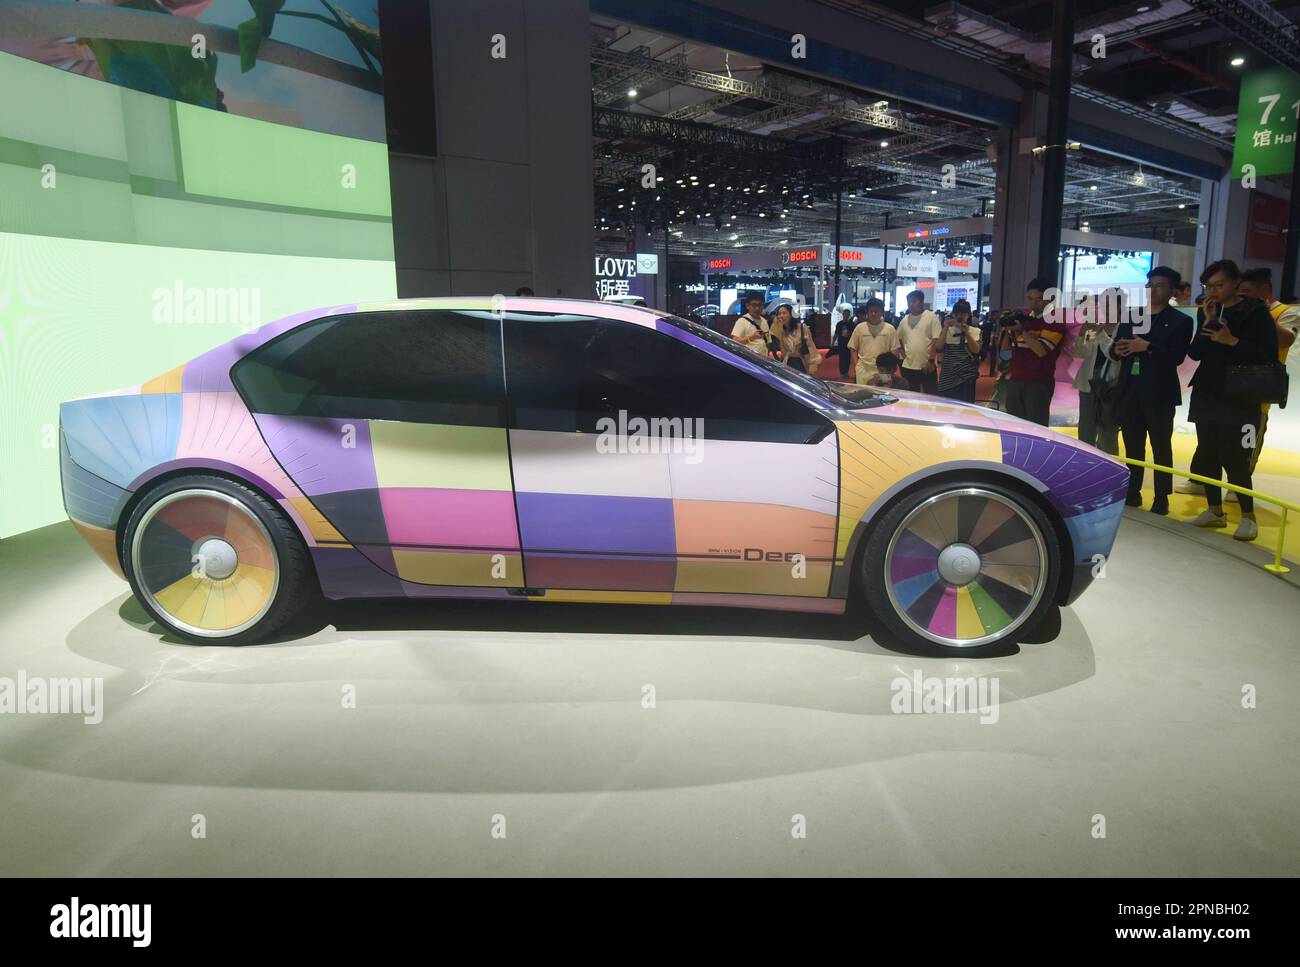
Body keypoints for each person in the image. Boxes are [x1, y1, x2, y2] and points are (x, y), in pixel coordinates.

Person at [1184, 259, 1278, 541]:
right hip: (1207, 391)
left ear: (1236, 282)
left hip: (1240, 395)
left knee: (1236, 458)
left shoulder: (1256, 312)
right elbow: (1196, 353)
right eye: (1209, 285)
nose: (1213, 290)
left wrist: (1232, 341)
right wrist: (1209, 321)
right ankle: (1215, 511)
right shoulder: (1209, 311)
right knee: (1208, 453)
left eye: (1219, 284)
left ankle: (1248, 517)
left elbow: (1267, 356)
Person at [1110, 269, 1193, 515]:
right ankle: (1132, 492)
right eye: (1150, 284)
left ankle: (1161, 496)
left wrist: (1146, 347)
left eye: (1160, 285)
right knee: (1133, 446)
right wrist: (1120, 350)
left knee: (1160, 447)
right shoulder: (1132, 316)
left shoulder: (1181, 321)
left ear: (1172, 291)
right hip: (1130, 389)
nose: (1153, 289)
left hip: (1159, 393)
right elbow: (1116, 348)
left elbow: (1177, 357)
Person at [1235, 267, 1300, 487]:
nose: (1240, 296)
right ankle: (1203, 479)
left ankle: (1241, 485)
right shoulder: (1237, 310)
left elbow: (1286, 340)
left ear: (1263, 291)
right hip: (1231, 383)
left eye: (1245, 291)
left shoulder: (1285, 312)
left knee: (1249, 438)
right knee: (1218, 435)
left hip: (1259, 386)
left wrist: (1262, 314)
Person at [1004, 277, 1067, 426]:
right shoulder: (1025, 319)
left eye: (1037, 299)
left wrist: (1023, 331)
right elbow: (1005, 349)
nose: (1032, 303)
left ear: (1049, 298)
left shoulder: (1055, 320)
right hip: (1016, 379)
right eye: (1029, 298)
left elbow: (1041, 350)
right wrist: (1007, 329)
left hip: (1038, 383)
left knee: (1036, 427)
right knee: (1013, 426)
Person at [1070, 287, 1122, 456]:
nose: (1106, 310)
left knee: (1108, 432)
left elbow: (1115, 356)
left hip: (1111, 387)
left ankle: (1108, 469)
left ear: (1121, 306)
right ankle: (1084, 466)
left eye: (1110, 305)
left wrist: (1102, 335)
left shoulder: (1126, 328)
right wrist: (1083, 334)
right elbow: (1080, 353)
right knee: (1085, 429)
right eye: (1104, 306)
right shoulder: (1095, 326)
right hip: (1088, 383)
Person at [934, 299, 982, 403]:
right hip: (947, 377)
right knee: (946, 408)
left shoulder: (975, 331)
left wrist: (967, 333)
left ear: (968, 315)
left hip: (966, 378)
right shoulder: (947, 330)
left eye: (963, 313)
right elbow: (938, 347)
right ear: (953, 314)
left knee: (966, 410)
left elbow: (976, 350)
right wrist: (946, 327)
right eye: (956, 313)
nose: (959, 316)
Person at [896, 291, 942, 393]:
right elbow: (897, 339)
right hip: (908, 366)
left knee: (931, 396)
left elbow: (936, 340)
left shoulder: (931, 317)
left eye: (914, 301)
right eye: (909, 302)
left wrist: (931, 361)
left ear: (921, 302)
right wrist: (903, 355)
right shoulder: (905, 320)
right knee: (910, 396)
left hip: (926, 365)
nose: (911, 304)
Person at [847, 298, 901, 385]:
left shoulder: (889, 329)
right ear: (867, 312)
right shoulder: (860, 328)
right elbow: (853, 348)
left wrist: (889, 368)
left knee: (883, 394)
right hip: (864, 369)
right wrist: (856, 365)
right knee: (863, 394)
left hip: (884, 370)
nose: (873, 314)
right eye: (871, 311)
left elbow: (894, 349)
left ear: (882, 312)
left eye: (876, 311)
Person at [774, 304, 821, 373]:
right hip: (786, 362)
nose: (781, 316)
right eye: (779, 314)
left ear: (791, 314)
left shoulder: (802, 328)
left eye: (784, 313)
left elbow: (811, 346)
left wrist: (813, 363)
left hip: (798, 362)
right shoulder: (781, 330)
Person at [731, 293, 773, 357]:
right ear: (747, 306)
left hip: (763, 360)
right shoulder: (742, 321)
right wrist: (751, 337)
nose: (757, 308)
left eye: (760, 305)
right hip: (749, 360)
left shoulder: (764, 321)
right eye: (754, 305)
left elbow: (768, 343)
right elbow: (735, 341)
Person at [830, 307, 856, 380]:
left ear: (849, 315)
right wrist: (832, 343)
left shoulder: (851, 324)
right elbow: (836, 334)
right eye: (845, 314)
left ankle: (846, 372)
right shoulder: (839, 324)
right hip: (841, 343)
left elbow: (854, 334)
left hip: (849, 344)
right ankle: (842, 373)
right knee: (841, 358)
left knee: (848, 358)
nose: (846, 315)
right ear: (843, 314)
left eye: (848, 314)